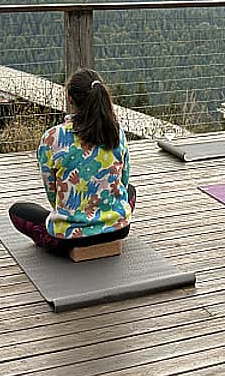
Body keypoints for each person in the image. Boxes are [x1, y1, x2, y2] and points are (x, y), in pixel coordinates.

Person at [9, 68, 134, 255]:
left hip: (67, 238)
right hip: (117, 229)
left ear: (70, 98)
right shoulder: (116, 131)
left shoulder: (52, 138)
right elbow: (123, 181)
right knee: (130, 190)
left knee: (17, 211)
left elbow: (53, 194)